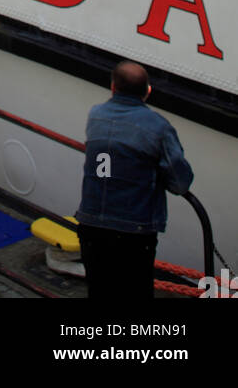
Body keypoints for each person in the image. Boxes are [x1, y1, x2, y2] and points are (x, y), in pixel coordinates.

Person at [76, 60, 193, 300]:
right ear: (148, 91)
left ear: (112, 88)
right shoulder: (158, 127)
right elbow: (180, 183)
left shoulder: (95, 116)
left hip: (91, 223)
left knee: (99, 291)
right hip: (133, 230)